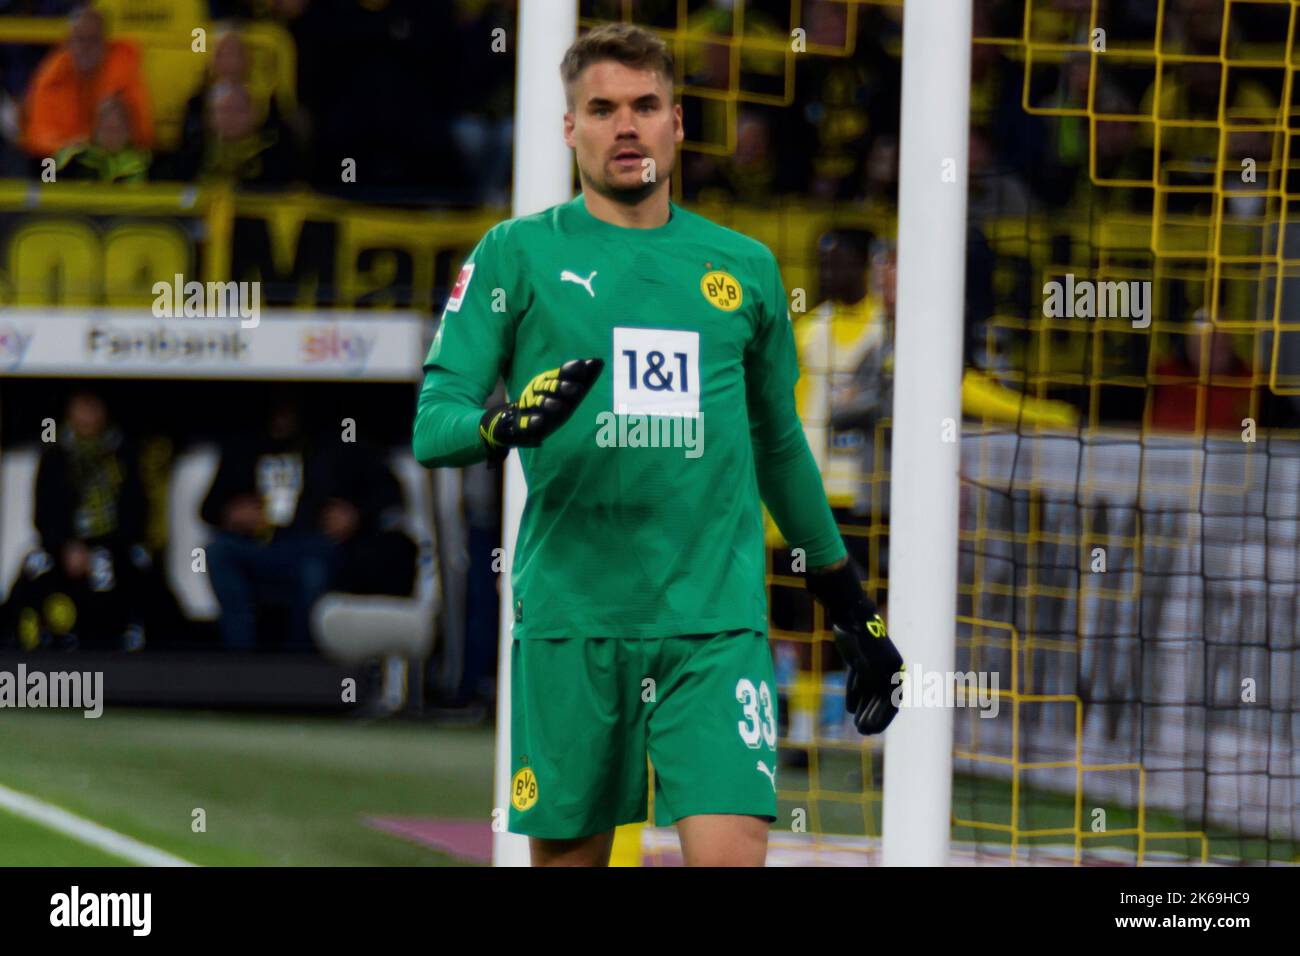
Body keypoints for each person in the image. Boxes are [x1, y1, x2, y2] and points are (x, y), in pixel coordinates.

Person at [412, 22, 902, 868]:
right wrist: (504, 426)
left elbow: (778, 445)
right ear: (571, 128)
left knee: (732, 849)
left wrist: (849, 601)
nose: (626, 125)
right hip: (573, 621)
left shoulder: (742, 268)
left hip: (712, 626)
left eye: (646, 105)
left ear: (678, 121)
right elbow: (434, 421)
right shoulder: (514, 255)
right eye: (602, 108)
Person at [20, 4, 153, 161]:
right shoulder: (52, 77)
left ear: (105, 42)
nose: (86, 47)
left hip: (114, 160)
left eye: (93, 39)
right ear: (68, 42)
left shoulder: (124, 69)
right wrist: (76, 146)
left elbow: (144, 134)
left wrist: (118, 129)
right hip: (64, 163)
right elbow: (38, 138)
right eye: (80, 39)